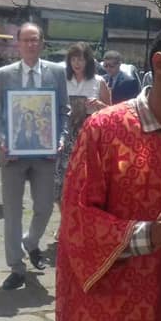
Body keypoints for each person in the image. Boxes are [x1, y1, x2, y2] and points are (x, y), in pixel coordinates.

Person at [55, 26, 161, 321]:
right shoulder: (104, 129)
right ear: (160, 64)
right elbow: (77, 217)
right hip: (110, 303)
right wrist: (148, 235)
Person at [0, 22, 69, 290]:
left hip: (44, 155)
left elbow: (63, 113)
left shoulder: (57, 72)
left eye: (35, 40)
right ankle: (16, 266)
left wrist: (58, 141)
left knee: (44, 207)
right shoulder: (3, 74)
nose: (31, 44)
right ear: (18, 43)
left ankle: (31, 241)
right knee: (12, 212)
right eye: (26, 40)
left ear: (42, 42)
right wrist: (2, 142)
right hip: (12, 155)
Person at [55, 42, 110, 203]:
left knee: (83, 182)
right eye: (73, 59)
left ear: (88, 61)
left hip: (89, 137)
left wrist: (99, 105)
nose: (77, 63)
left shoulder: (98, 81)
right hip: (64, 135)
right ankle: (64, 221)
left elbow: (112, 111)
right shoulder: (62, 80)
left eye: (81, 59)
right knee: (61, 183)